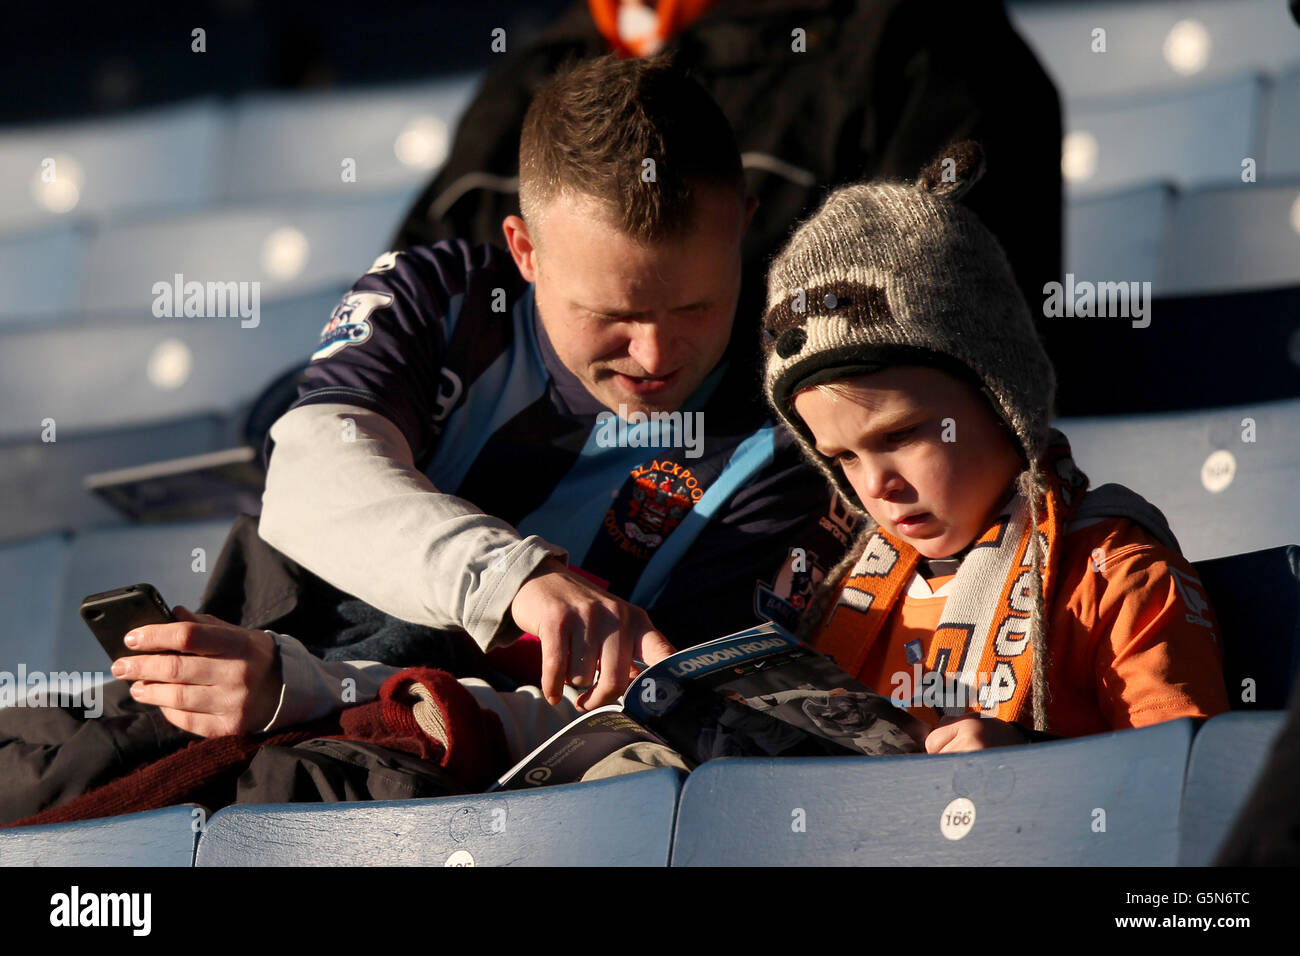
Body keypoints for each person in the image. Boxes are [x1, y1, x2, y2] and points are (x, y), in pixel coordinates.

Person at [115, 53, 851, 741]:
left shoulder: (793, 423)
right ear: (524, 251)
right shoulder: (443, 299)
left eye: (695, 307)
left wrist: (310, 689)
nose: (655, 355)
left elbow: (647, 732)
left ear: (744, 229)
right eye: (612, 316)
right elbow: (310, 477)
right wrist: (511, 577)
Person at [757, 141, 1231, 753]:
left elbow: (1189, 782)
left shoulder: (1116, 574)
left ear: (1003, 398)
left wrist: (1026, 768)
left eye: (899, 435)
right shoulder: (843, 594)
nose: (875, 485)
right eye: (843, 457)